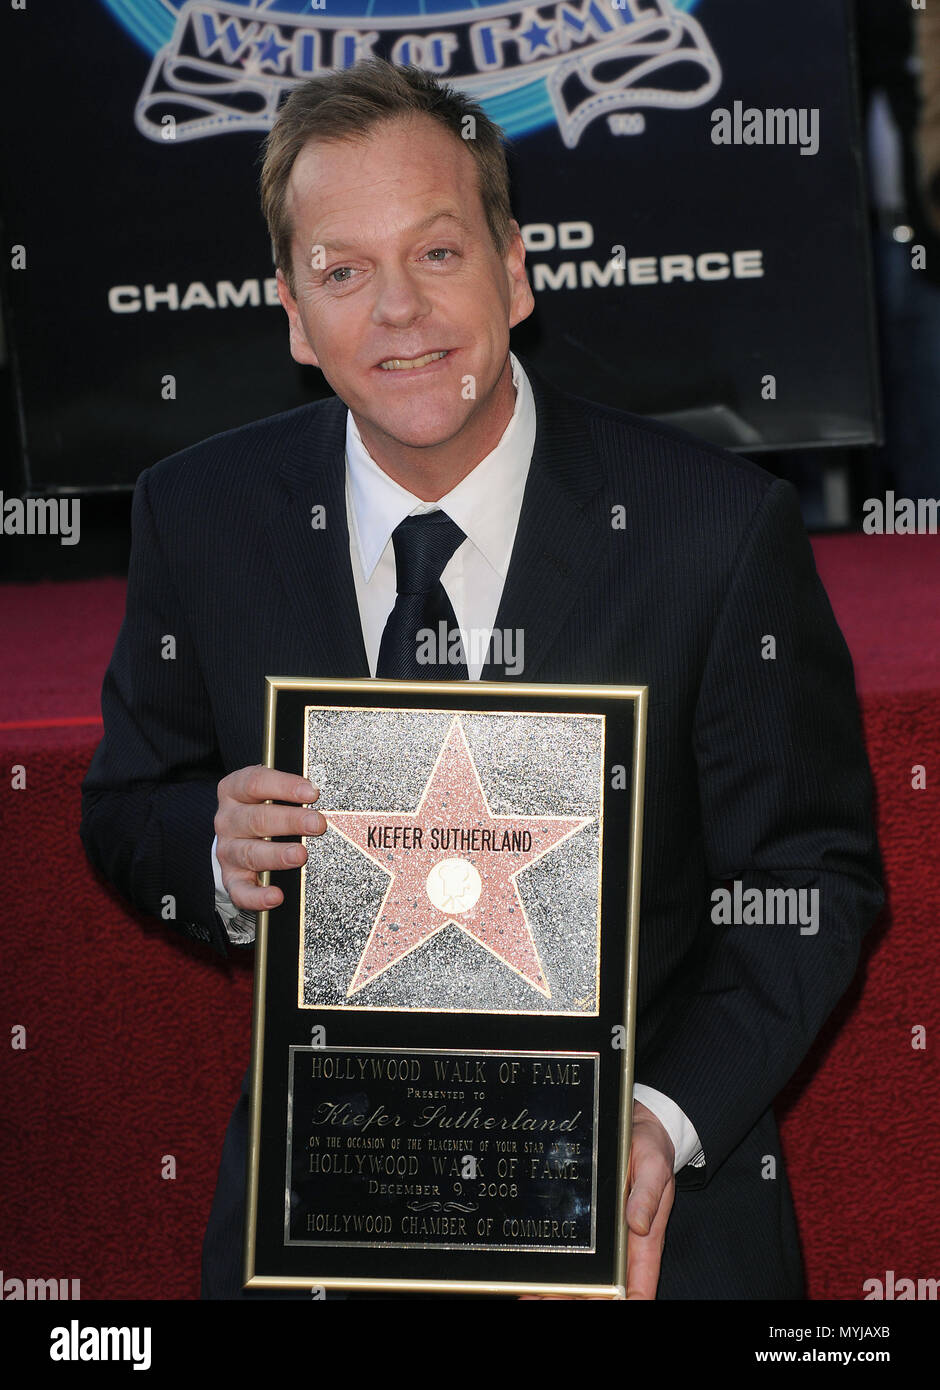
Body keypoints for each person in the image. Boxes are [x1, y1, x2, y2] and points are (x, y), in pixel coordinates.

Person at [80, 58, 883, 1301]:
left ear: (515, 272)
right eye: (342, 271)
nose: (396, 311)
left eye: (437, 253)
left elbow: (810, 879)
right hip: (321, 1202)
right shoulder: (200, 517)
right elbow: (133, 803)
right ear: (294, 312)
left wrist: (662, 1123)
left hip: (641, 1193)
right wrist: (215, 856)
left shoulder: (711, 532)